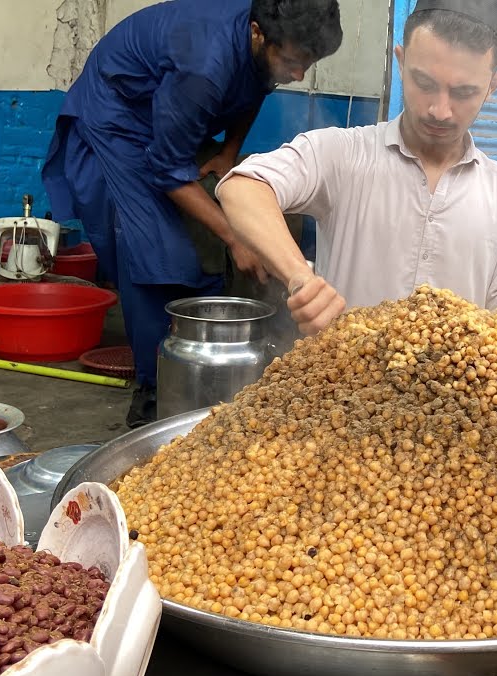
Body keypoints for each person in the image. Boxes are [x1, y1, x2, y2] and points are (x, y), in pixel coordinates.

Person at [41, 0, 344, 428]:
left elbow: (259, 85)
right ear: (257, 33)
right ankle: (156, 394)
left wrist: (228, 153)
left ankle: (229, 370)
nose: (298, 75)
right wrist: (236, 237)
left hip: (167, 109)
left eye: (308, 65)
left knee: (224, 207)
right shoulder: (204, 64)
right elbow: (167, 170)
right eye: (293, 62)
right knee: (155, 253)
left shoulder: (268, 34)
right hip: (118, 116)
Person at [216, 0, 497, 336]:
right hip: (345, 369)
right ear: (401, 63)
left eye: (464, 92)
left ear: (492, 87)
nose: (440, 111)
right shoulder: (343, 154)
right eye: (424, 83)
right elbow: (242, 187)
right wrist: (300, 276)